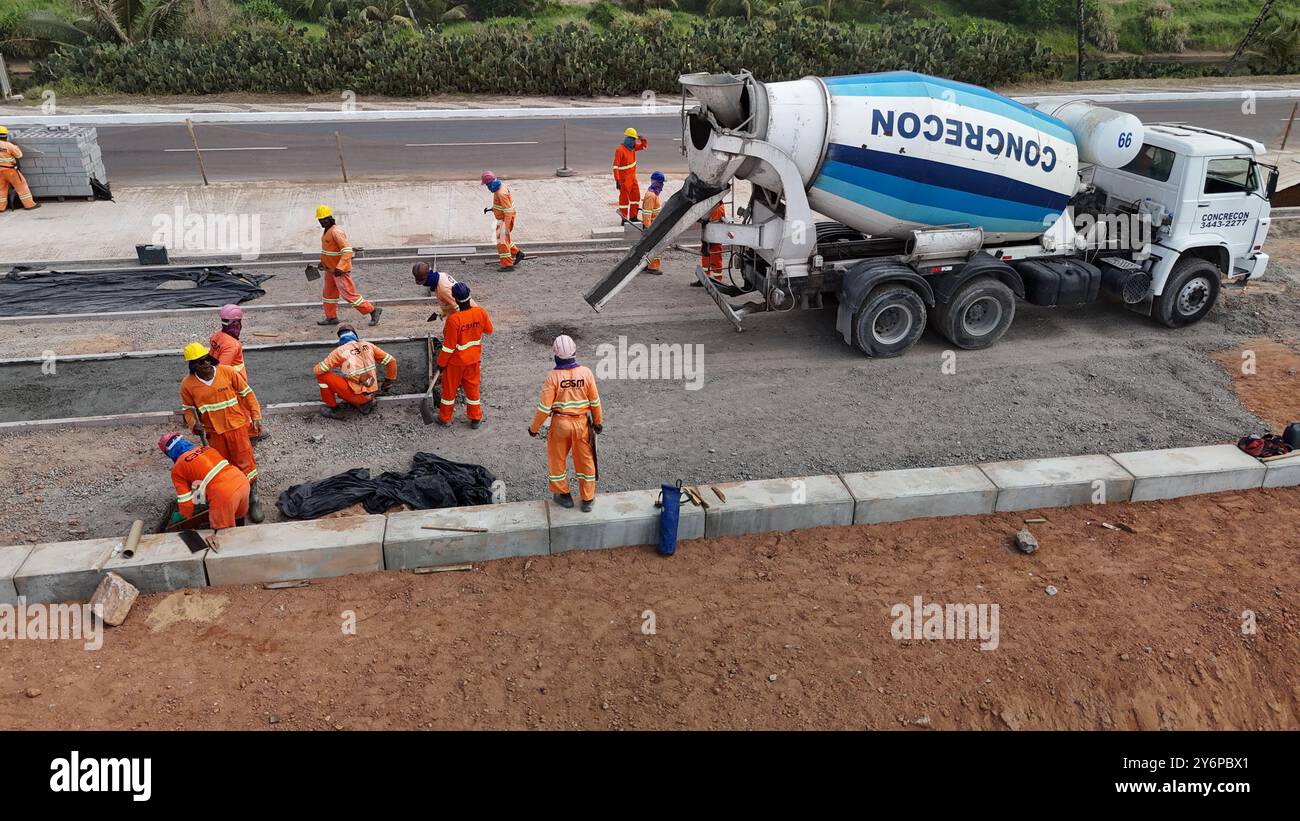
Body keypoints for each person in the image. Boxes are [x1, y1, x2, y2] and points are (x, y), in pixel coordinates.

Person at [179, 342, 264, 522]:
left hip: (236, 427)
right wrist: (194, 424)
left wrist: (256, 415)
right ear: (192, 365)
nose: (206, 363)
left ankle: (253, 499)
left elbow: (247, 393)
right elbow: (187, 409)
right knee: (222, 467)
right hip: (213, 433)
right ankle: (232, 498)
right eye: (200, 361)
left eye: (207, 359)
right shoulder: (188, 385)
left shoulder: (228, 372)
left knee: (246, 464)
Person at [528, 334, 602, 512]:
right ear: (575, 352)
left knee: (557, 460)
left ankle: (563, 495)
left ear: (555, 354)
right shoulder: (586, 373)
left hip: (560, 424)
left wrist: (534, 428)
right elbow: (595, 402)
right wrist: (598, 422)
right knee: (585, 461)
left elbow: (544, 409)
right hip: (582, 424)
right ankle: (587, 498)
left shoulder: (552, 377)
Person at [159, 433, 251, 530]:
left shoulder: (178, 468)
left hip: (225, 495)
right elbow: (199, 481)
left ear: (169, 453)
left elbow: (186, 502)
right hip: (242, 481)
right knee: (238, 519)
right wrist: (200, 503)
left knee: (222, 534)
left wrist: (184, 517)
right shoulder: (207, 448)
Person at [435, 283, 493, 429]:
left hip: (456, 363)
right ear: (469, 295)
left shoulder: (454, 320)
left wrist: (441, 363)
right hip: (473, 360)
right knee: (472, 388)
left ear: (454, 298)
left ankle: (445, 418)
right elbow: (489, 330)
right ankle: (475, 418)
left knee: (449, 390)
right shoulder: (480, 312)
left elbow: (448, 347)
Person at [315, 205, 381, 326]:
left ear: (330, 218)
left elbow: (347, 250)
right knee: (328, 295)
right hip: (330, 270)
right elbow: (329, 251)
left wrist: (340, 267)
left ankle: (373, 310)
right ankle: (331, 317)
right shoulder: (327, 231)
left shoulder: (336, 232)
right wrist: (323, 263)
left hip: (339, 271)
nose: (321, 222)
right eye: (319, 220)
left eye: (323, 219)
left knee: (349, 294)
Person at [313, 324, 397, 419]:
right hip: (371, 393)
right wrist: (388, 382)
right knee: (357, 379)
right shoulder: (368, 345)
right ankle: (367, 403)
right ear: (355, 336)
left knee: (323, 376)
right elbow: (391, 361)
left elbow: (318, 370)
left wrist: (336, 363)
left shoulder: (339, 351)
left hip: (357, 396)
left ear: (341, 339)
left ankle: (332, 407)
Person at [481, 171, 524, 271]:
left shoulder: (501, 193)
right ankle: (518, 253)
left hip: (505, 220)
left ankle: (508, 265)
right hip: (503, 219)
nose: (487, 187)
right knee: (504, 240)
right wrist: (493, 209)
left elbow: (508, 211)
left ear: (490, 183)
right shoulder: (499, 187)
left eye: (487, 185)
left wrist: (506, 227)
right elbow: (502, 205)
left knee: (502, 242)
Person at [612, 127, 648, 224]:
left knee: (636, 197)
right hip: (624, 180)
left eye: (634, 139)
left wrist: (643, 139)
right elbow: (615, 166)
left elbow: (643, 147)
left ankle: (633, 217)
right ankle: (624, 219)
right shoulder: (620, 150)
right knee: (624, 200)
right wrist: (617, 180)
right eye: (632, 139)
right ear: (628, 138)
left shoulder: (632, 147)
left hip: (632, 178)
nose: (634, 141)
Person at [0, 126, 38, 214]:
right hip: (10, 171)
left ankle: (1, 207)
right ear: (5, 135)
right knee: (21, 186)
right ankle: (29, 205)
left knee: (1, 189)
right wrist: (16, 147)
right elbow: (19, 155)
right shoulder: (9, 145)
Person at [692, 200, 728, 287]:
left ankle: (717, 282)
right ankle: (705, 279)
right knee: (706, 256)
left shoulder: (716, 208)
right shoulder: (715, 205)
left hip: (714, 235)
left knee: (715, 257)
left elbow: (705, 218)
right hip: (709, 233)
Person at [641, 171, 666, 273]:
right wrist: (648, 228)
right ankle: (653, 267)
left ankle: (646, 264)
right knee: (655, 247)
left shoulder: (653, 194)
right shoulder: (651, 196)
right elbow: (647, 213)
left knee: (648, 247)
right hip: (652, 227)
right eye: (661, 182)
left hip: (653, 225)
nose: (662, 185)